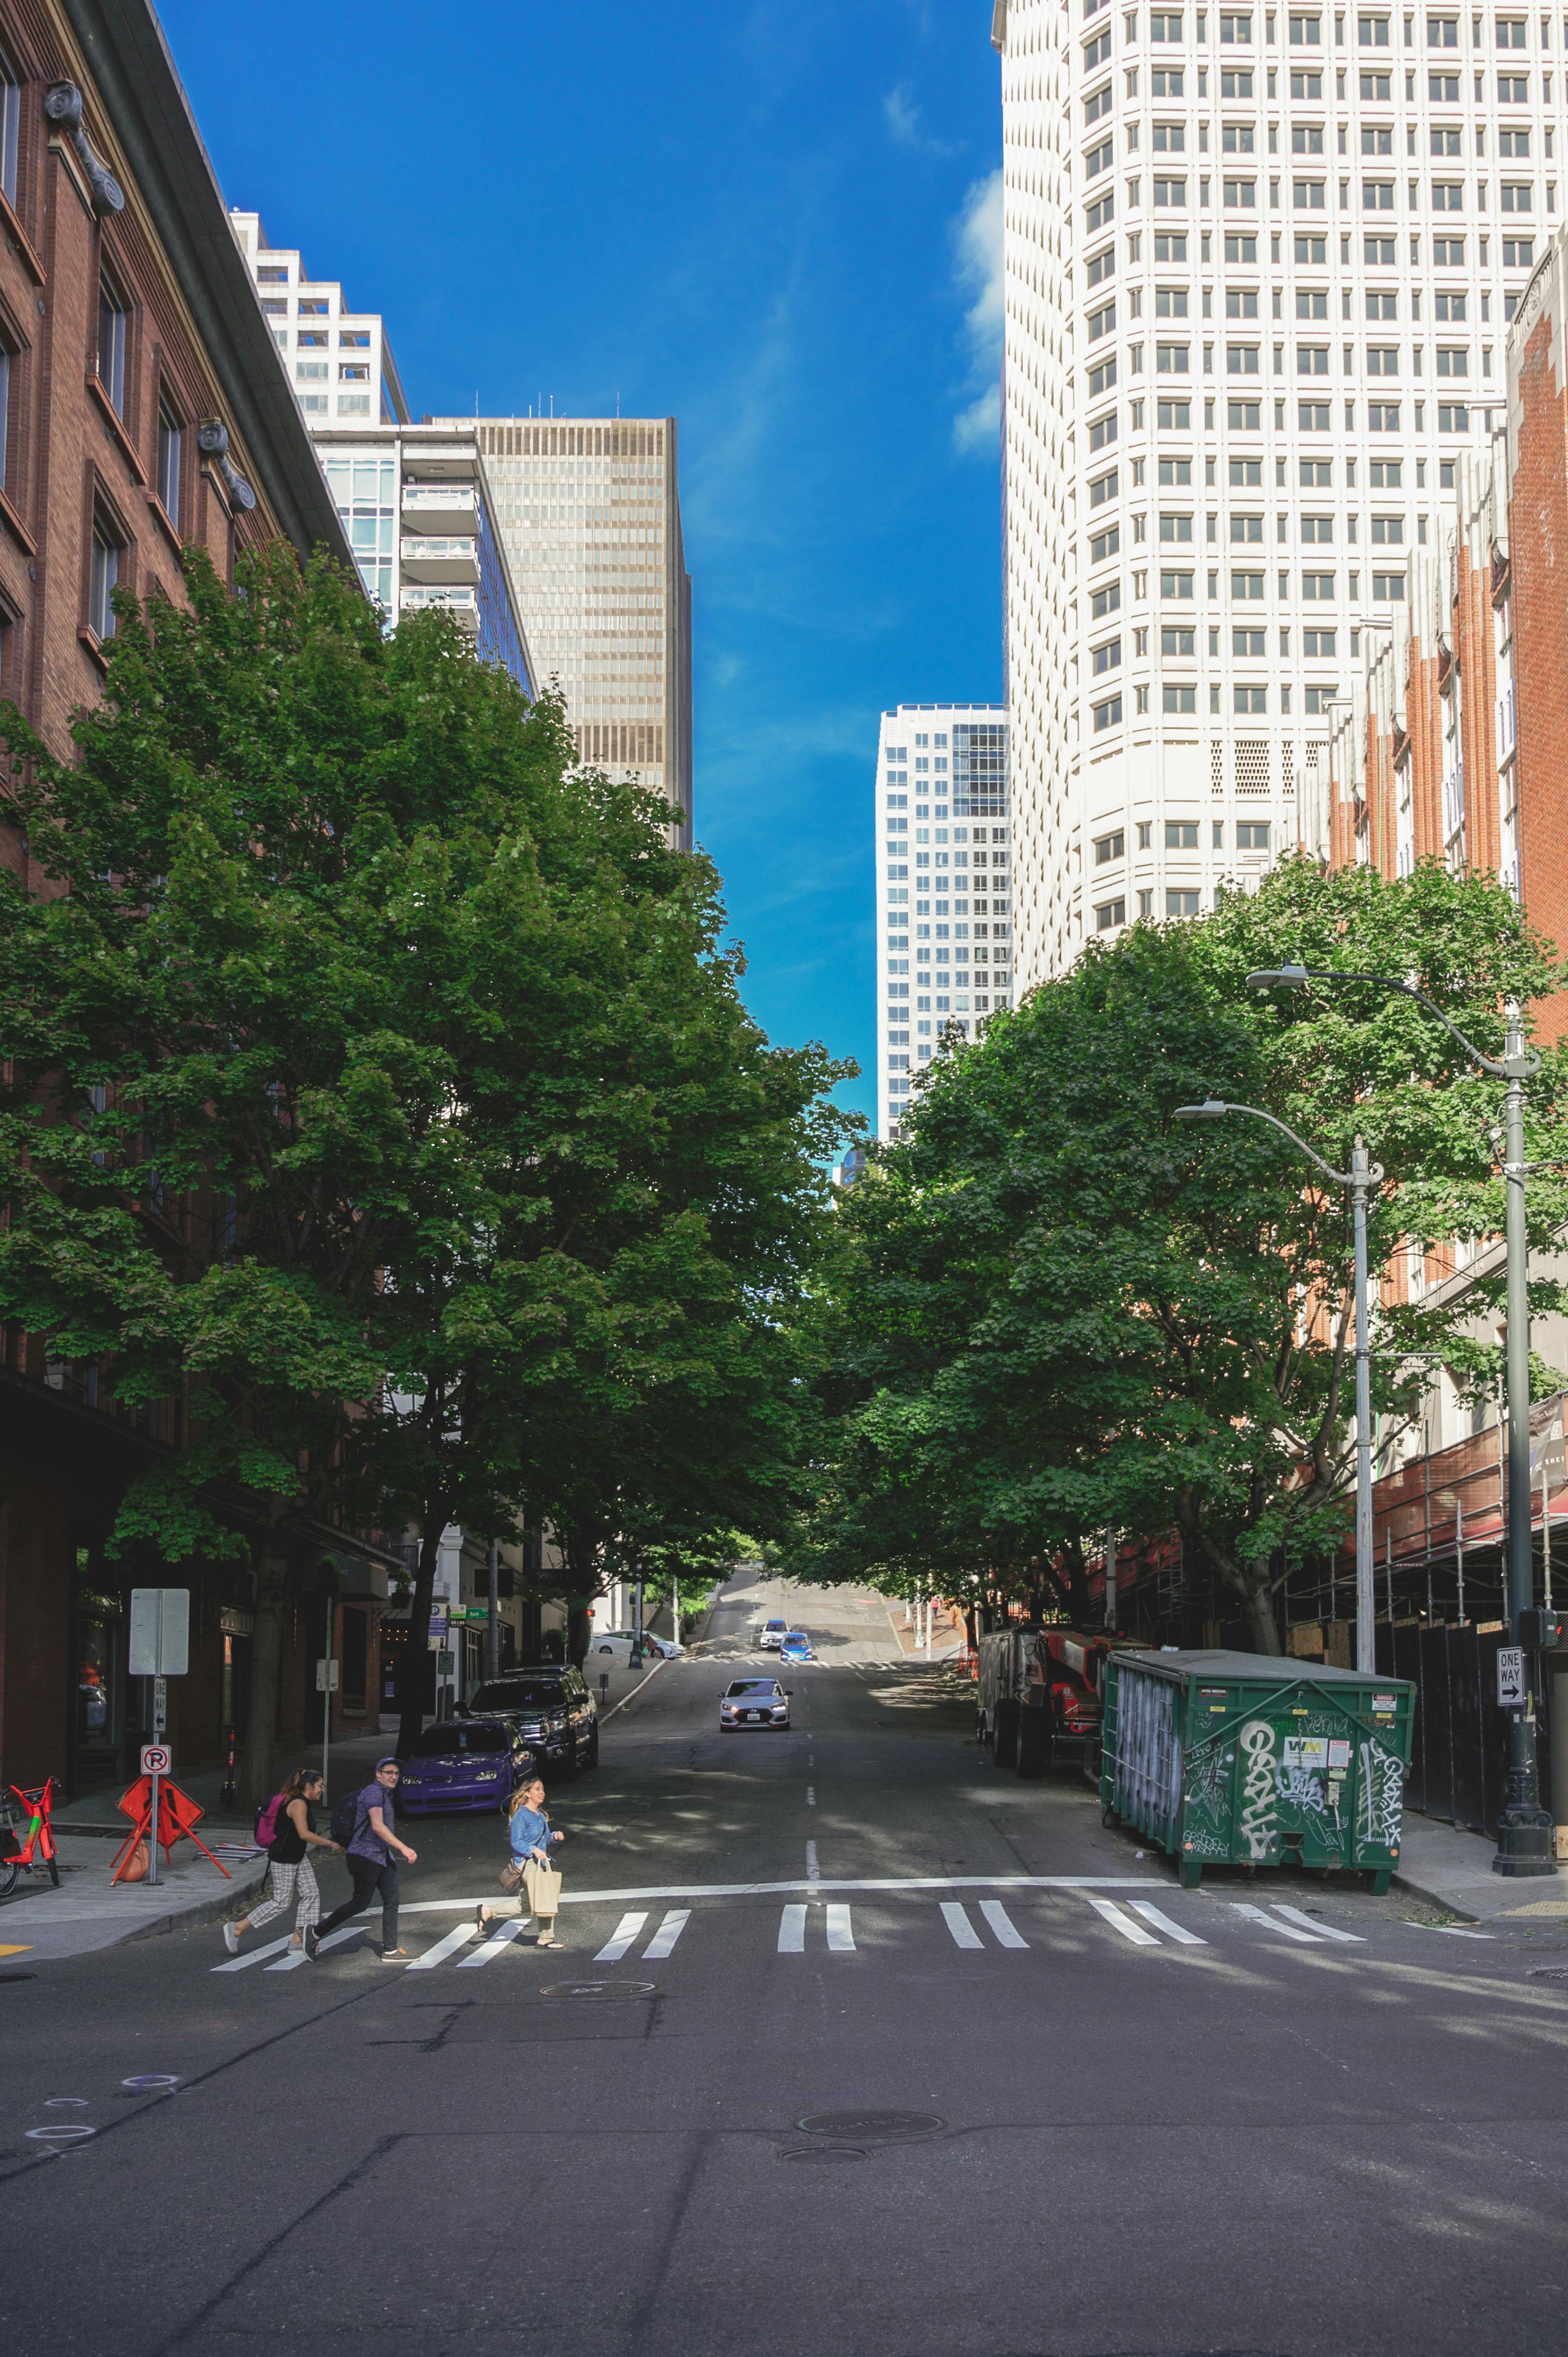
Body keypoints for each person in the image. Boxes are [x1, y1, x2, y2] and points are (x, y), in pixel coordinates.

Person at [222, 1769, 340, 1958]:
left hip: (298, 1856)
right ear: (309, 1786)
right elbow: (304, 1834)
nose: (322, 1790)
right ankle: (237, 1927)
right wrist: (331, 1843)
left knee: (311, 1893)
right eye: (320, 1786)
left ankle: (298, 1939)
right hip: (285, 1857)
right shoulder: (298, 1804)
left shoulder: (304, 1802)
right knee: (281, 1902)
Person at [314, 1757, 418, 1960]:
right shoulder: (373, 1792)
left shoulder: (385, 1794)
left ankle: (390, 1949)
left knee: (392, 1899)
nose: (394, 1776)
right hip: (365, 1856)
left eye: (396, 1773)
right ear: (378, 1774)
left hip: (381, 1856)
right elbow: (378, 1826)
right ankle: (317, 1932)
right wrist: (403, 1848)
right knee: (360, 1903)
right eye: (389, 1772)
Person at [475, 1778, 565, 1949]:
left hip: (539, 1863)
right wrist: (533, 1850)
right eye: (538, 1789)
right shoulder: (521, 1816)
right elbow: (516, 1842)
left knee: (525, 1904)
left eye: (543, 1789)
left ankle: (488, 1911)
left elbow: (544, 1839)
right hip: (527, 1863)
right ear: (527, 1793)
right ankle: (546, 1938)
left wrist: (554, 1836)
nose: (542, 1793)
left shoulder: (540, 1816)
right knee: (544, 1896)